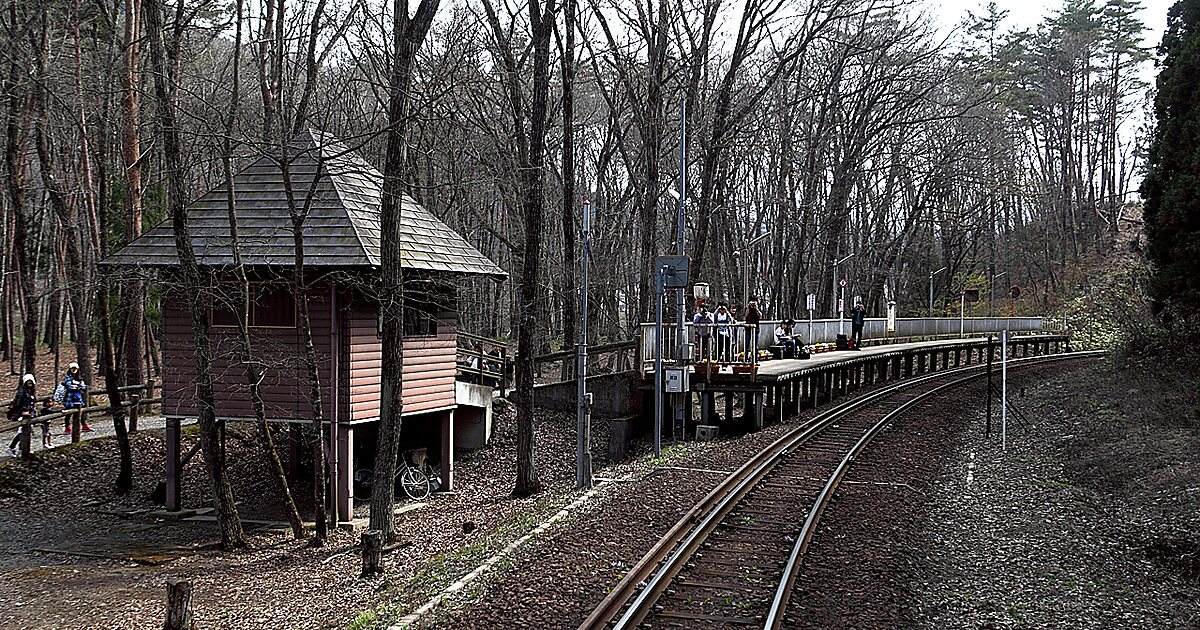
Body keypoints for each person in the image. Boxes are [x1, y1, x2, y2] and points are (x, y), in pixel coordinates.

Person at [7, 374, 37, 457]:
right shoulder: (22, 391)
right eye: (28, 381)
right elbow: (17, 402)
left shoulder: (31, 390)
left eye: (31, 381)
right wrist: (21, 412)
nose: (30, 383)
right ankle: (20, 449)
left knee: (26, 431)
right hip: (22, 414)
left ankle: (14, 448)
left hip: (30, 412)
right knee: (22, 431)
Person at [60, 362, 91, 434]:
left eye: (75, 368)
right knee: (68, 412)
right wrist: (77, 386)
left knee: (81, 411)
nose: (74, 370)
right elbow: (69, 386)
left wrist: (77, 386)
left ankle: (84, 425)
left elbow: (83, 386)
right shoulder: (68, 377)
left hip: (77, 397)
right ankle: (67, 428)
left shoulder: (79, 378)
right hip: (69, 397)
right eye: (72, 368)